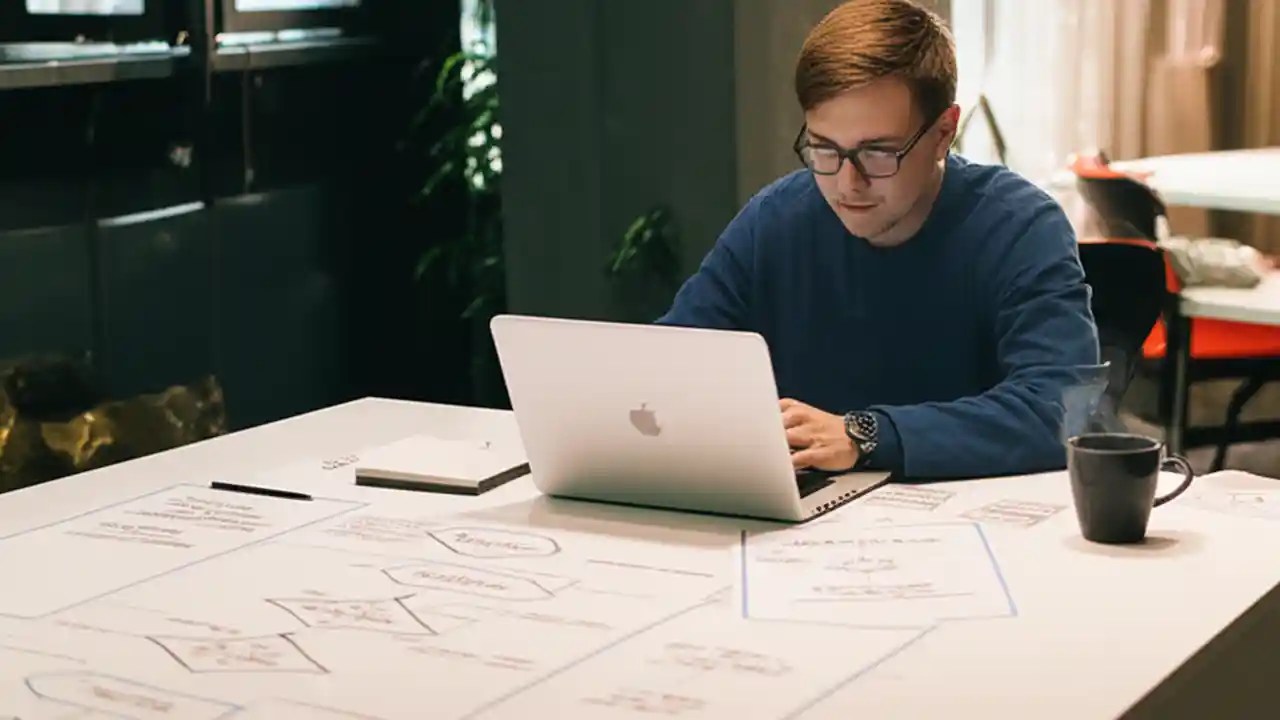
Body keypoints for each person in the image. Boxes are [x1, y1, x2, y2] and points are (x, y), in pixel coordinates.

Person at [656, 0, 1101, 479]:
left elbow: (1061, 411)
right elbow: (675, 360)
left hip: (968, 523)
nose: (848, 183)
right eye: (824, 148)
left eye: (878, 152)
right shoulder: (776, 219)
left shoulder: (1020, 227)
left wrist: (866, 435)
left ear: (943, 133)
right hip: (806, 522)